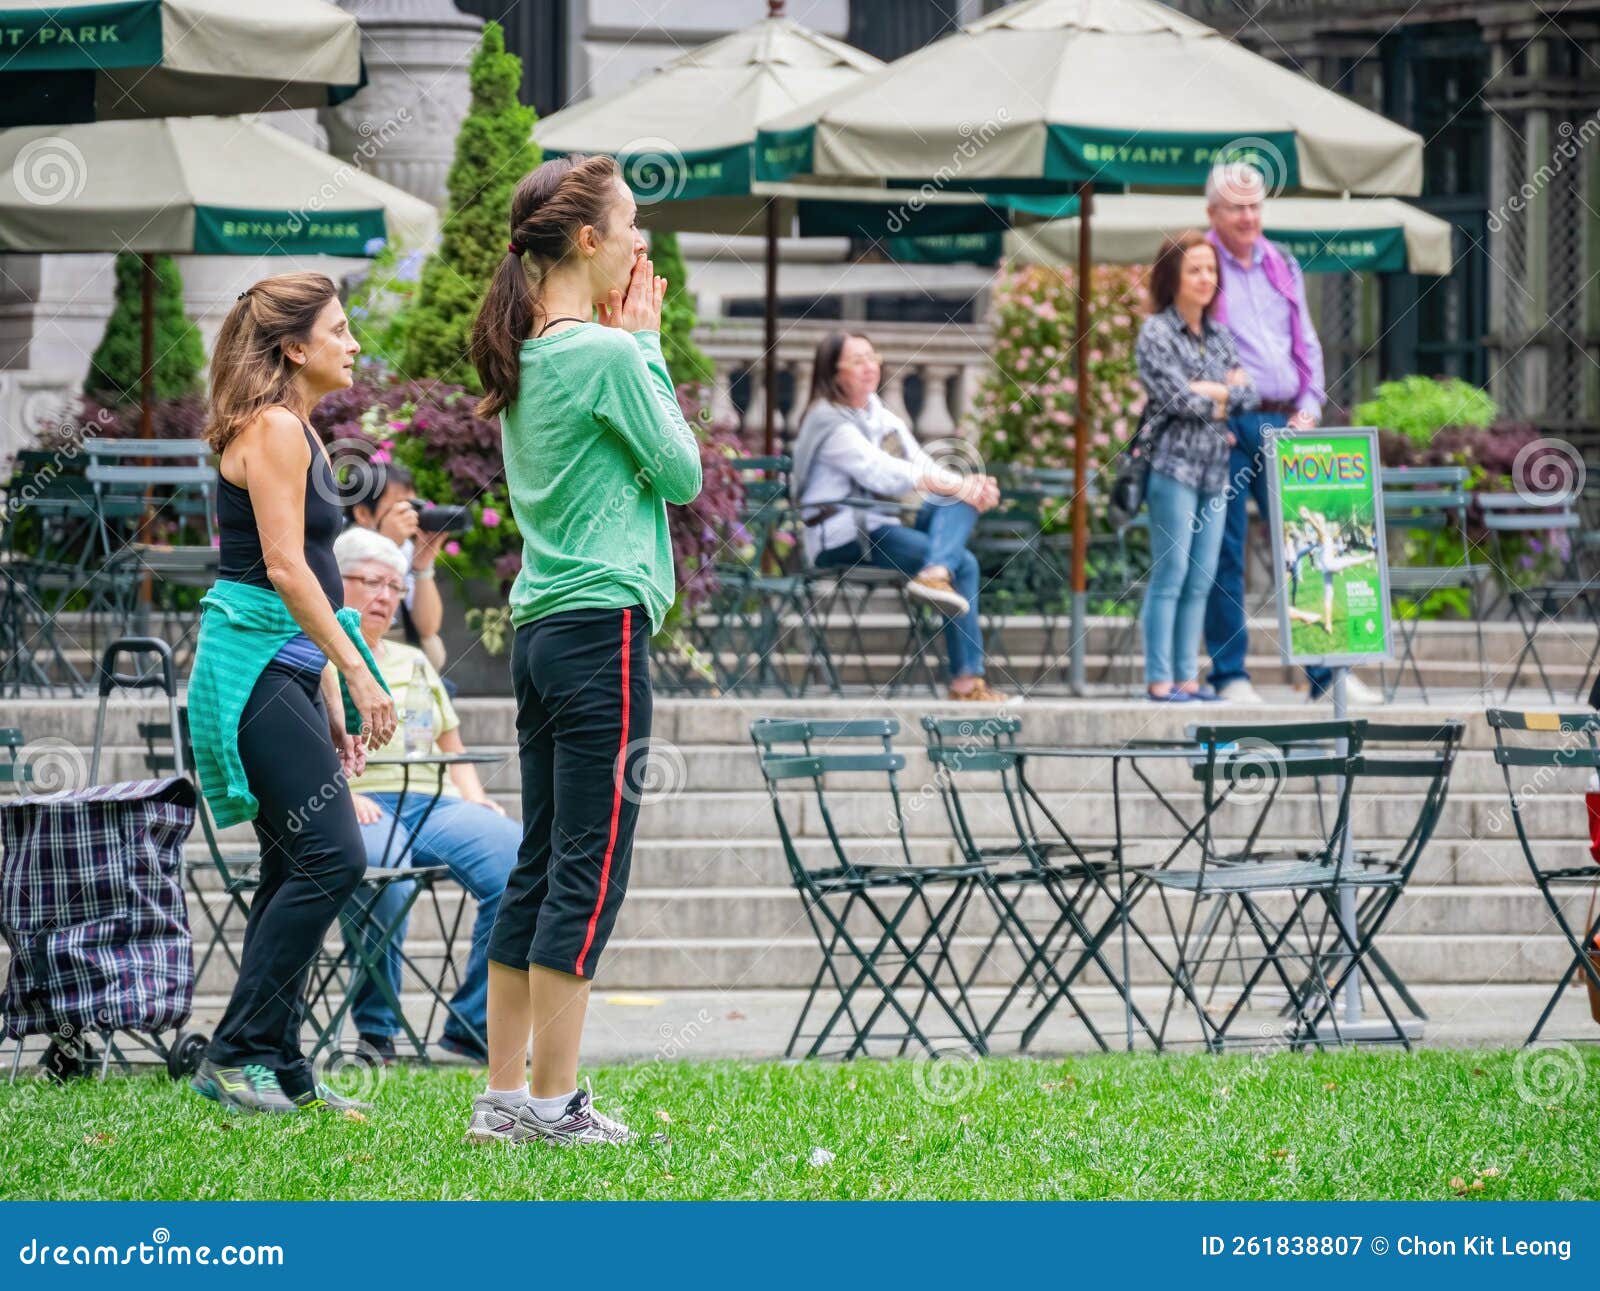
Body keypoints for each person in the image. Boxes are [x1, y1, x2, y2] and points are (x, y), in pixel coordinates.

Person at [464, 153, 701, 1147]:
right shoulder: (606, 358)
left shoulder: (530, 355)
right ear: (590, 241)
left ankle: (504, 1096)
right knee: (587, 870)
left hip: (540, 634)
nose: (642, 246)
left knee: (538, 863)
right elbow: (682, 475)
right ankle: (556, 1106)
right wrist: (644, 347)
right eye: (632, 225)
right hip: (600, 630)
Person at [187, 272, 397, 1115]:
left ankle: (282, 1066)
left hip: (284, 667)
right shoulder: (273, 428)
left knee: (293, 863)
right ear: (295, 347)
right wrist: (352, 666)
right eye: (341, 330)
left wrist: (331, 687)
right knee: (334, 857)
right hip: (249, 672)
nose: (354, 344)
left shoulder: (298, 428)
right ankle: (234, 1052)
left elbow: (309, 575)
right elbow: (280, 569)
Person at [332, 527, 515, 1066]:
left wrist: (474, 795)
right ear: (331, 584)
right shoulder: (314, 654)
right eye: (371, 582)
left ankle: (474, 1025)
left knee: (519, 863)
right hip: (354, 801)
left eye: (395, 585)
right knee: (383, 872)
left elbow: (449, 743)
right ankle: (378, 1030)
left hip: (430, 802)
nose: (386, 597)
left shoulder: (414, 661)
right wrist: (337, 795)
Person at [1199, 162, 1380, 705]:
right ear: (1213, 212)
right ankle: (1230, 675)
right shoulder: (1202, 263)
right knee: (1226, 551)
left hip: (1287, 422)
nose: (1249, 215)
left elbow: (1308, 340)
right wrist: (1214, 411)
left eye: (1255, 205)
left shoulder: (1282, 263)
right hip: (1228, 426)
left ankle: (1329, 676)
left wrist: (1310, 406)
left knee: (1308, 542)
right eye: (1236, 206)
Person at [791, 330, 1012, 703]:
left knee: (954, 502)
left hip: (882, 527)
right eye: (856, 360)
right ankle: (964, 680)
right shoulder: (828, 422)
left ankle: (935, 573)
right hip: (844, 538)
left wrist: (965, 487)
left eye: (872, 357)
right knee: (966, 560)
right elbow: (881, 473)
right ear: (833, 372)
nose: (868, 367)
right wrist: (963, 486)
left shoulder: (878, 414)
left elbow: (919, 463)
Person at [1135, 231, 1258, 703]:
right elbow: (1174, 399)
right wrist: (1219, 391)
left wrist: (1208, 391)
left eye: (1211, 270)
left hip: (1216, 469)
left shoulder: (1221, 335)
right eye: (1195, 270)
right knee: (1171, 573)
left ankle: (1188, 677)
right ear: (1173, 277)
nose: (1206, 278)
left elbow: (1248, 396)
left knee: (1203, 576)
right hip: (1173, 468)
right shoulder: (1156, 333)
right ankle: (1161, 679)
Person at [344, 459, 448, 674]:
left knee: (433, 650)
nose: (411, 516)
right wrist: (386, 543)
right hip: (353, 646)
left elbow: (428, 629)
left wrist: (423, 567)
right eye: (399, 508)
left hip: (395, 644)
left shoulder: (405, 547)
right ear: (362, 513)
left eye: (413, 507)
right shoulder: (342, 547)